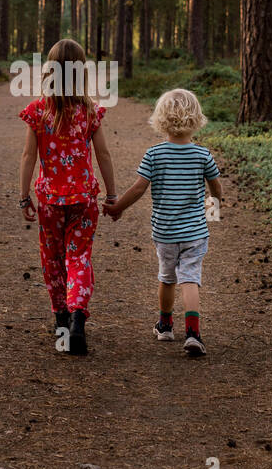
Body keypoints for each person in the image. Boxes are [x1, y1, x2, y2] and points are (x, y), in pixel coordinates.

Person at [104, 88, 222, 357]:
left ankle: (166, 325)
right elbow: (216, 188)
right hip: (195, 233)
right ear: (196, 118)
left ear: (161, 120)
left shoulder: (154, 154)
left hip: (166, 232)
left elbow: (137, 189)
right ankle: (193, 334)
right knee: (190, 280)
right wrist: (213, 206)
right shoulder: (203, 155)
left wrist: (117, 208)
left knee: (167, 279)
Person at [18, 38, 117, 355]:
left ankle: (61, 319)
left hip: (49, 201)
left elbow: (27, 156)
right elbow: (103, 153)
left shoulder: (38, 111)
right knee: (79, 257)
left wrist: (24, 197)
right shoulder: (89, 111)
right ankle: (77, 318)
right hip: (83, 200)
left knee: (53, 259)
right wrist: (112, 193)